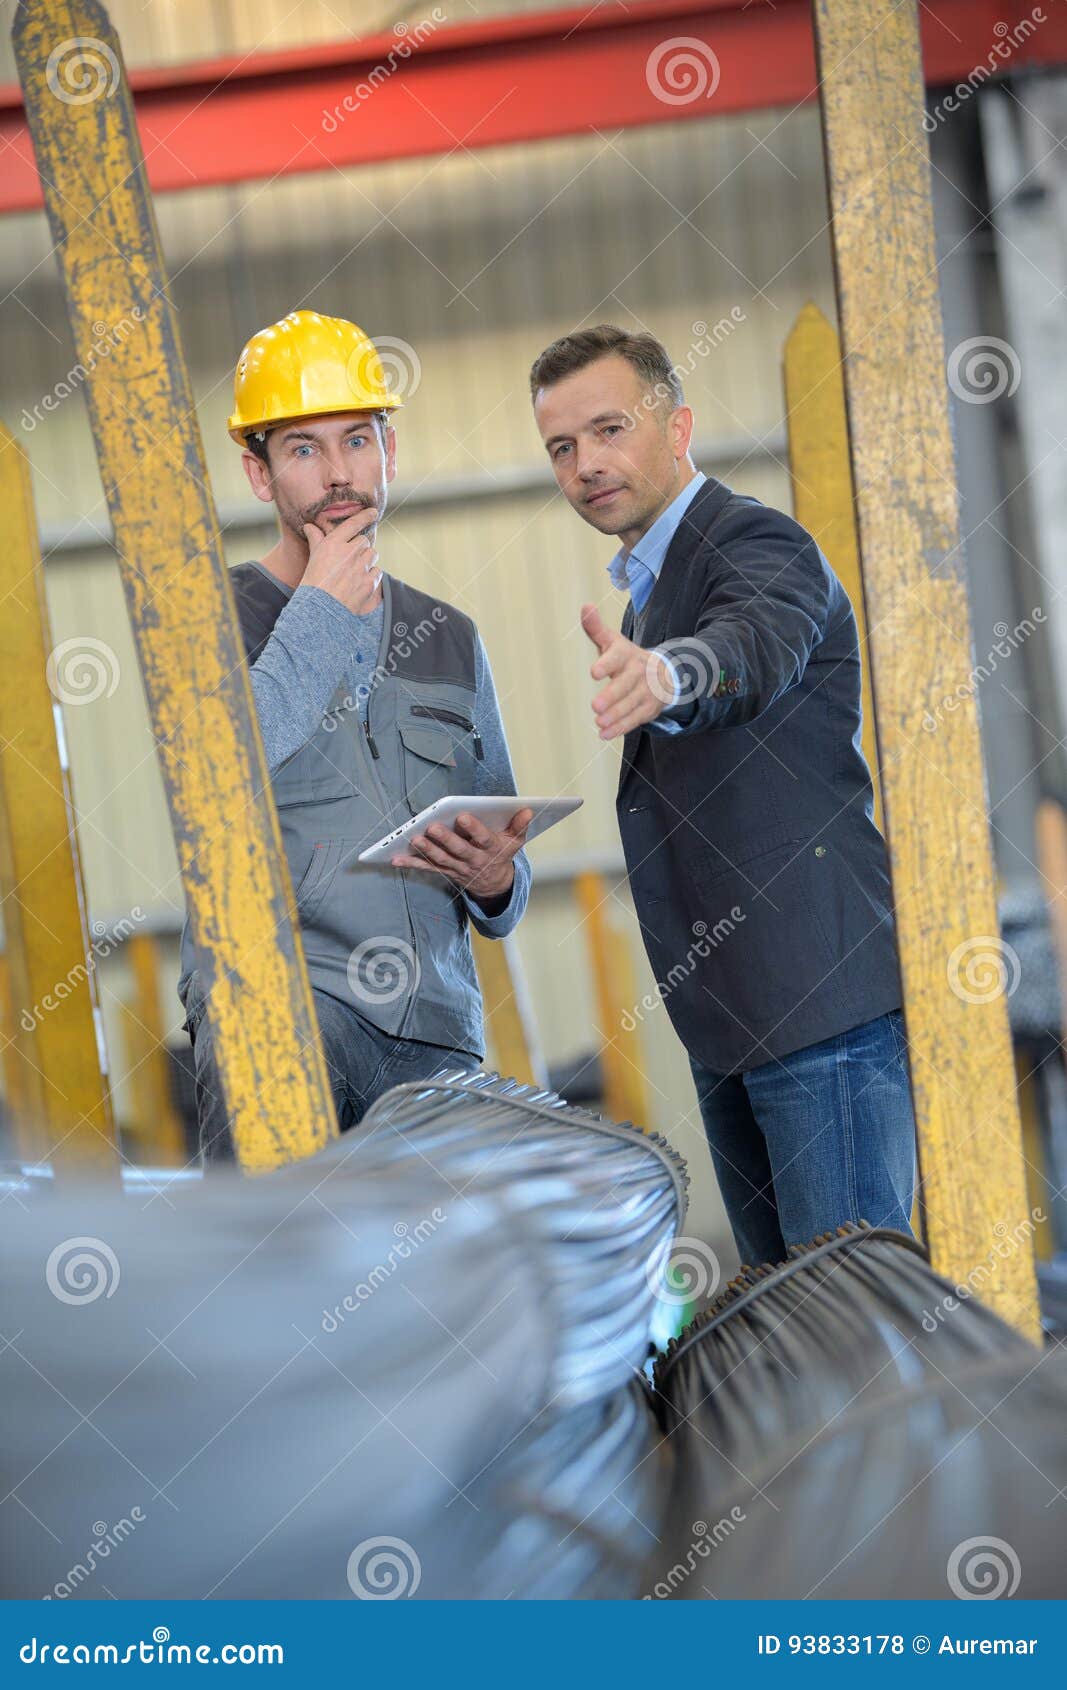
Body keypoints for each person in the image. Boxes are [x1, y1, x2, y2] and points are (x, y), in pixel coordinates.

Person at [529, 323, 916, 1266]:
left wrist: (669, 677)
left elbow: (752, 644)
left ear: (679, 428)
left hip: (820, 1011)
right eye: (562, 447)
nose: (587, 463)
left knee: (854, 1331)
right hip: (734, 1020)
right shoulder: (647, 596)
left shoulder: (753, 539)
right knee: (785, 1334)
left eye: (609, 429)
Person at [179, 309, 532, 1160]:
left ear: (390, 453)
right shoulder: (205, 620)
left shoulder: (449, 634)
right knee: (279, 1278)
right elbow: (218, 779)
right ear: (258, 474)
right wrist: (322, 614)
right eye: (303, 448)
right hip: (279, 1015)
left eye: (358, 441)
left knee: (444, 1292)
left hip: (436, 1035)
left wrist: (495, 881)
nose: (339, 474)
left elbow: (503, 854)